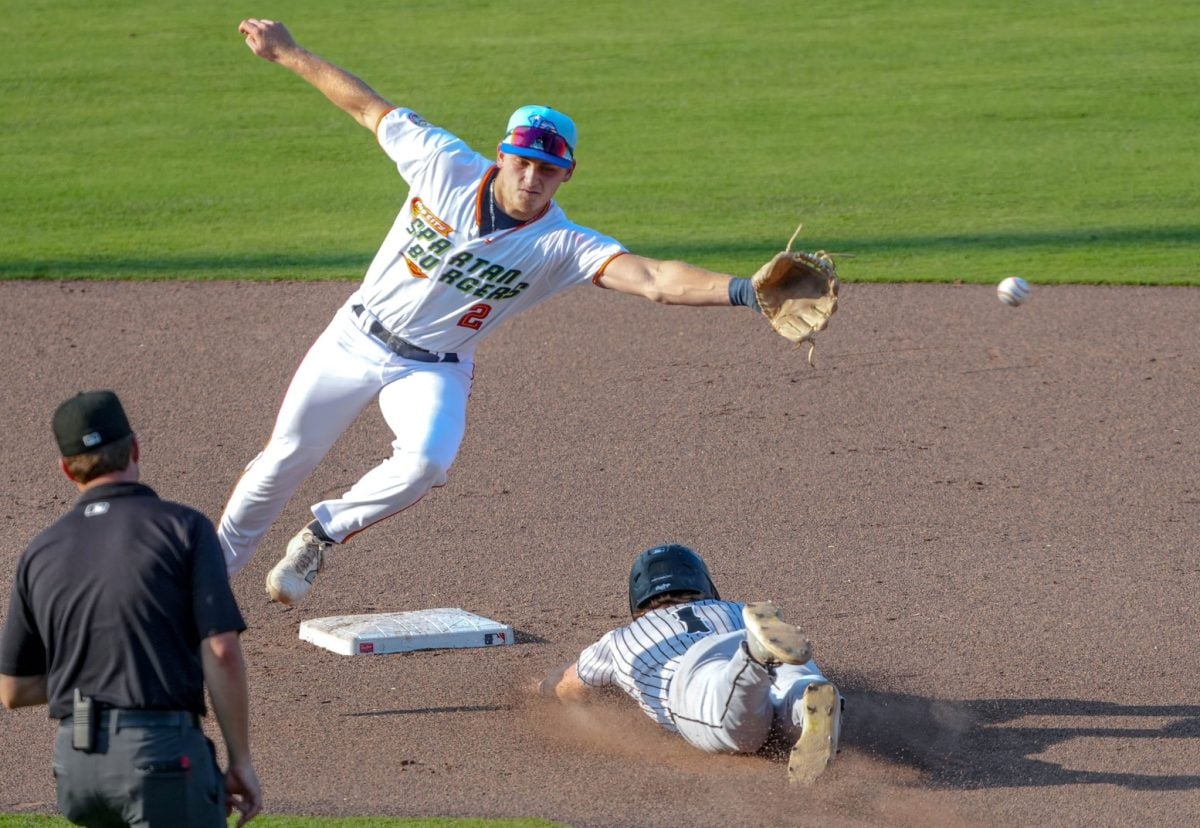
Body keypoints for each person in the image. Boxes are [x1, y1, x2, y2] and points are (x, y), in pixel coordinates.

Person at [221, 18, 770, 605]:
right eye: (523, 162)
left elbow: (655, 279)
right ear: (504, 155)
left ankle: (321, 534)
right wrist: (287, 52)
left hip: (433, 368)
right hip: (353, 340)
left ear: (567, 174)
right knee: (280, 462)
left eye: (547, 169)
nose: (532, 178)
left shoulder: (563, 244)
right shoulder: (443, 163)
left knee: (427, 462)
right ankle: (203, 577)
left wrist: (745, 289)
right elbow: (365, 107)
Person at [0, 391, 262, 827]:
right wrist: (241, 761)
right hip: (160, 756)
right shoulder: (184, 528)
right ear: (135, 448)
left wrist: (93, 672)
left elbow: (12, 690)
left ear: (66, 470)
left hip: (77, 767)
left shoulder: (39, 552)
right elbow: (221, 652)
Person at [538, 543, 842, 784]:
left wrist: (541, 688)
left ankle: (753, 659)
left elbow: (570, 688)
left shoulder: (619, 640)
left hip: (694, 676)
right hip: (742, 635)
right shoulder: (734, 609)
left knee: (739, 730)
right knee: (787, 688)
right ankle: (803, 699)